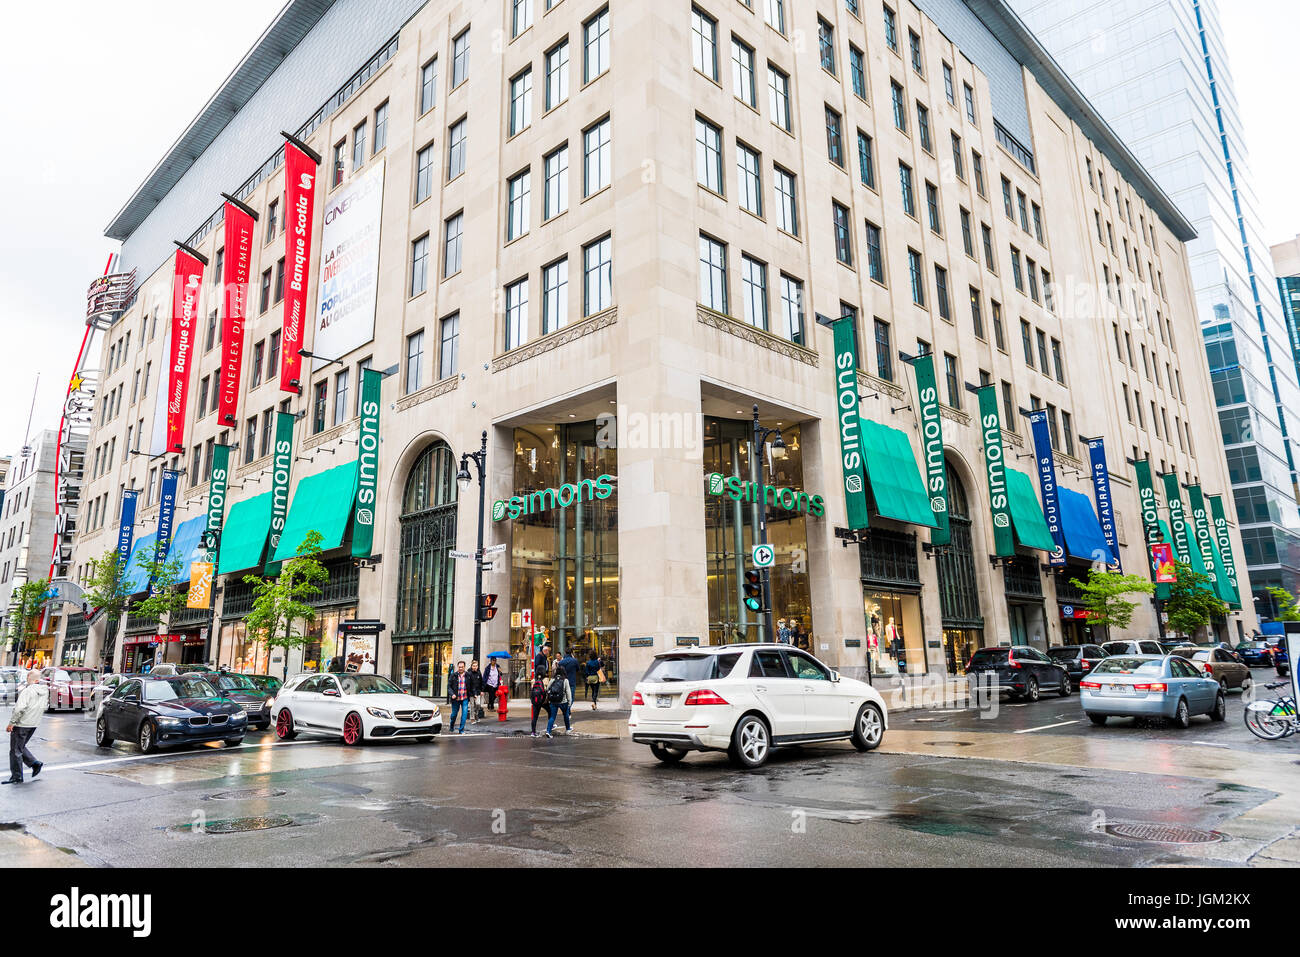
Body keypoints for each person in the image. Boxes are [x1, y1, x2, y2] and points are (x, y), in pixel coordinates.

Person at [5, 671, 48, 785]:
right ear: (38, 680)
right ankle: (34, 763)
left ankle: (17, 777)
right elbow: (44, 706)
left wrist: (12, 723)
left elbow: (20, 709)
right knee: (19, 747)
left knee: (15, 750)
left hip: (22, 724)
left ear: (29, 677)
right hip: (34, 723)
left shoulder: (27, 691)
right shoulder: (44, 691)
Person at [545, 667, 571, 737]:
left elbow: (547, 689)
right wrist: (569, 702)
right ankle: (568, 729)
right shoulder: (565, 680)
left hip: (553, 701)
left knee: (552, 717)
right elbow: (568, 692)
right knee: (566, 714)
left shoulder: (553, 679)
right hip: (563, 701)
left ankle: (548, 731)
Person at [449, 660, 471, 734]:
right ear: (457, 667)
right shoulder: (453, 675)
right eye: (459, 667)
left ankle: (461, 730)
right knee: (454, 715)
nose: (460, 668)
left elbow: (472, 686)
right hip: (456, 699)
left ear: (464, 667)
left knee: (464, 715)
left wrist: (474, 694)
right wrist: (452, 694)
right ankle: (451, 726)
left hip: (465, 698)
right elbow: (449, 687)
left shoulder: (468, 675)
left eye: (462, 667)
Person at [557, 647, 580, 713]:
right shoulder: (574, 661)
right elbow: (578, 670)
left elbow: (558, 672)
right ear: (571, 653)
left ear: (565, 653)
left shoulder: (561, 662)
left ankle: (566, 709)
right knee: (571, 697)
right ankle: (568, 708)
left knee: (564, 697)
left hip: (563, 681)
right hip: (572, 681)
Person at [529, 671, 550, 737]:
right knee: (550, 712)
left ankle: (533, 732)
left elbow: (531, 691)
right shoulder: (546, 680)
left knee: (535, 717)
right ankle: (549, 727)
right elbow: (547, 690)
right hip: (543, 701)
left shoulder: (533, 680)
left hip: (535, 701)